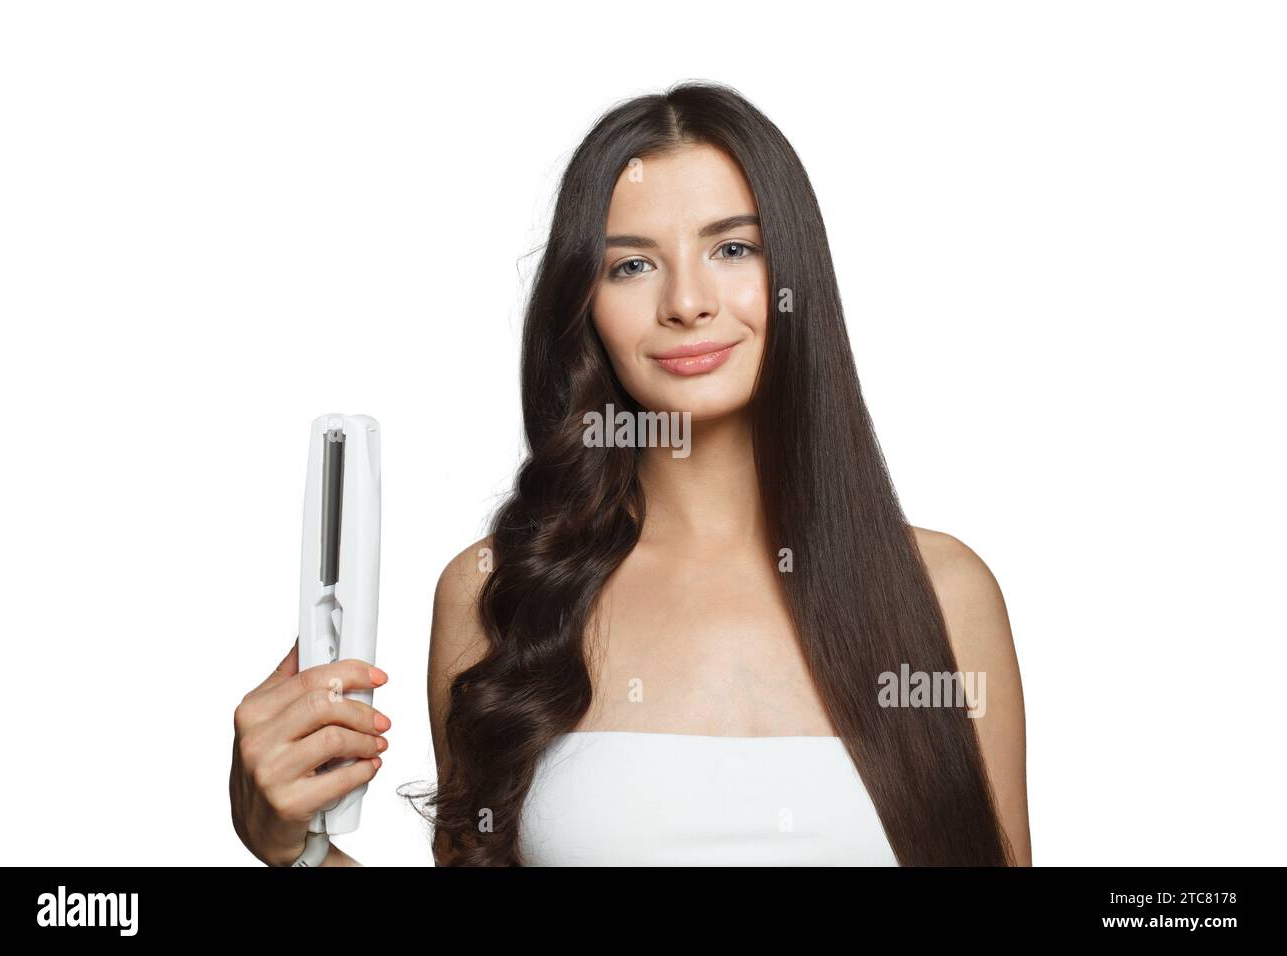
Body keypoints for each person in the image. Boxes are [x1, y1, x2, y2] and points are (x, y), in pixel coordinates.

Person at [231, 81, 1030, 867]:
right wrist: (295, 849)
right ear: (585, 307)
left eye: (732, 248)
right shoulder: (497, 596)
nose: (686, 301)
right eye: (631, 266)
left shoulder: (944, 593)